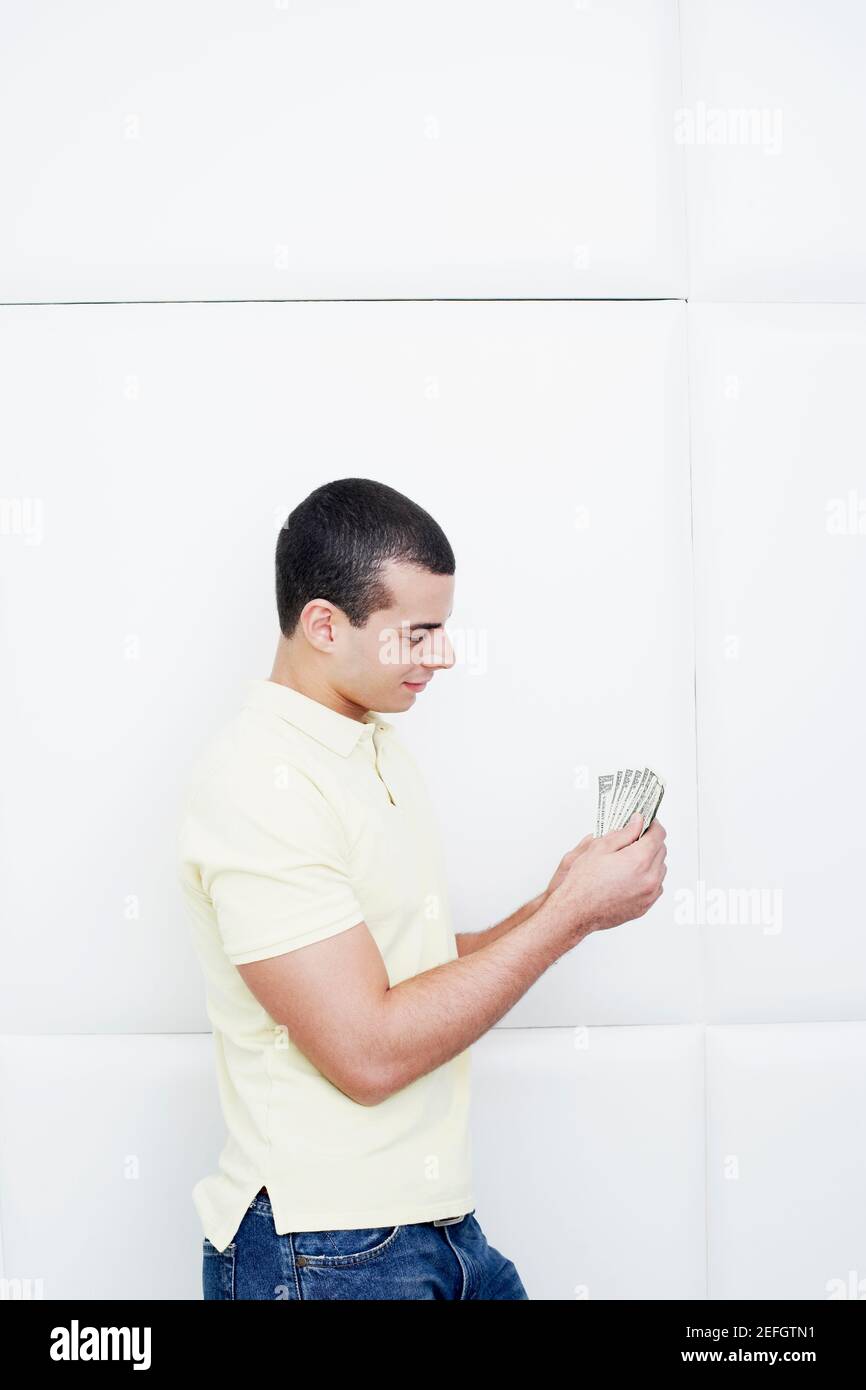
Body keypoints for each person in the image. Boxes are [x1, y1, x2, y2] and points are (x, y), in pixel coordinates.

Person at [177, 477, 666, 1300]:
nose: (441, 656)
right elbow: (367, 1050)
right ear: (324, 625)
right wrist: (572, 919)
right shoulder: (259, 781)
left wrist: (561, 898)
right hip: (324, 1249)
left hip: (433, 1229)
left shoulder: (372, 745)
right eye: (419, 634)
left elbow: (409, 974)